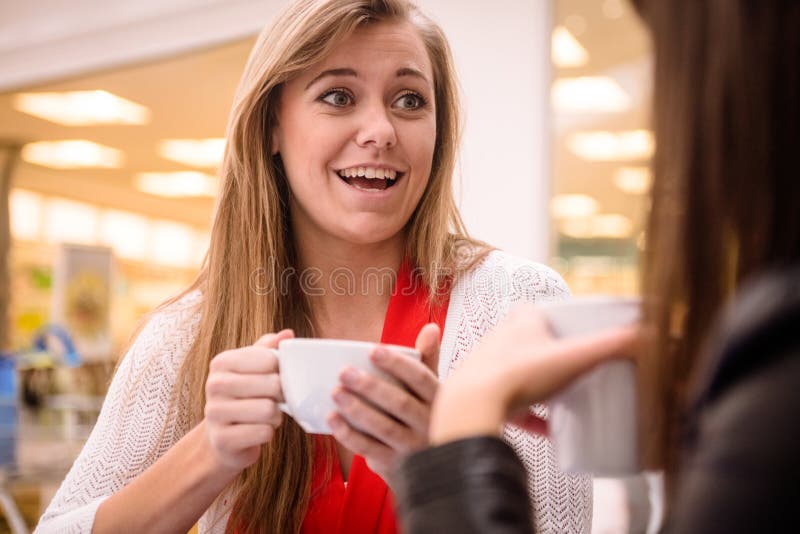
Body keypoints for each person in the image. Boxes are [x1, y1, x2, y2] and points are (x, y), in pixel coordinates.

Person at [34, 1, 591, 533]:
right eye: (339, 97)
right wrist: (210, 451)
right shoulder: (188, 335)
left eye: (410, 100)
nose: (381, 130)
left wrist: (439, 474)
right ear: (272, 126)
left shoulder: (516, 304)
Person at [394, 0, 800, 532]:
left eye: (409, 100)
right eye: (337, 97)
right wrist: (715, 427)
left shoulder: (518, 291)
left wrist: (461, 425)